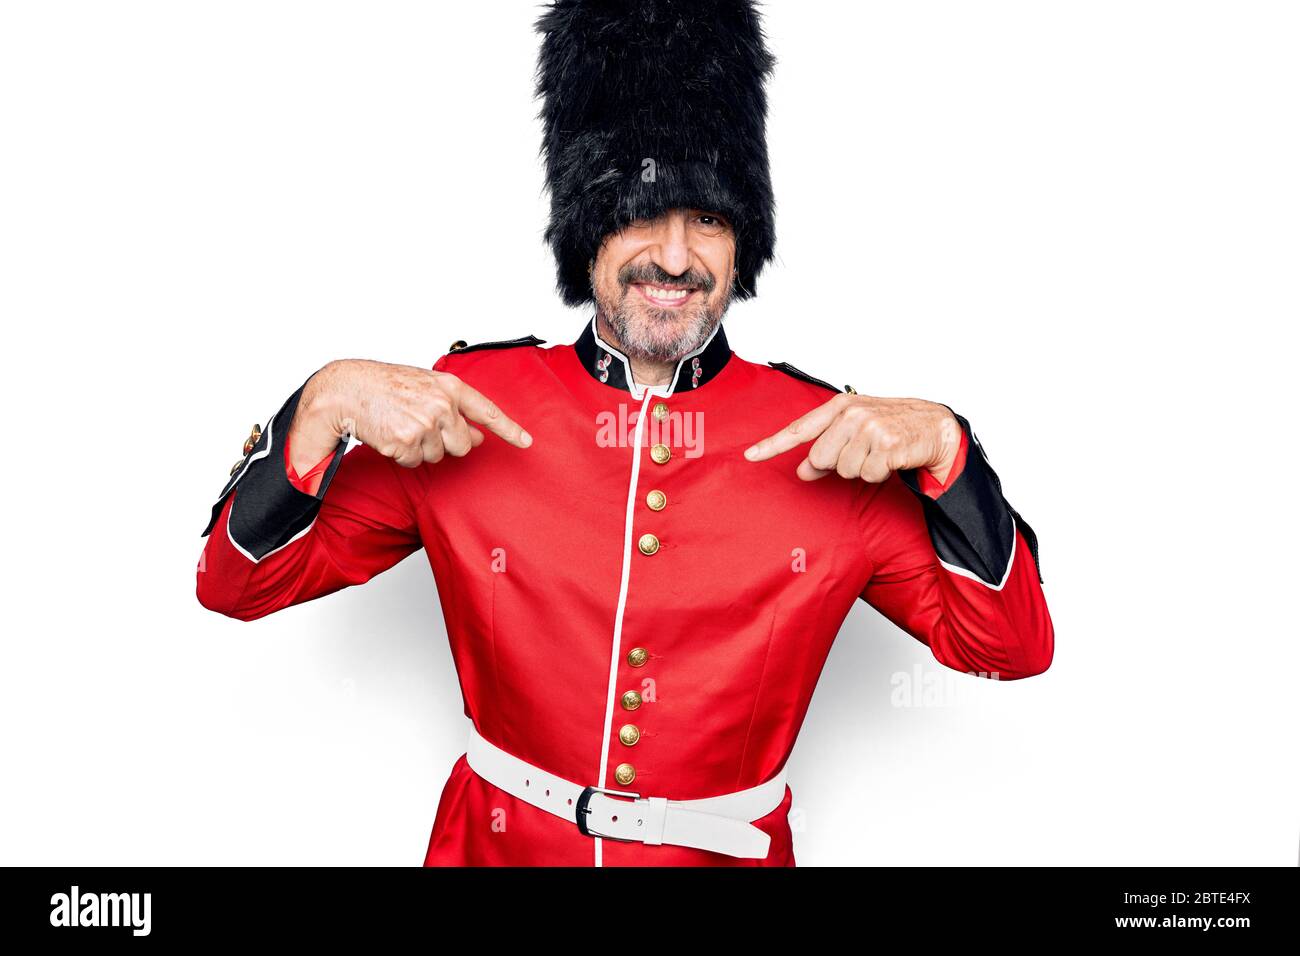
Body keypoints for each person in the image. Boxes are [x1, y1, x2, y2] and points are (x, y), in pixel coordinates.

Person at [196, 0, 1054, 866]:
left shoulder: (827, 440)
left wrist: (949, 447)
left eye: (709, 221)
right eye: (642, 213)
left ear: (743, 236)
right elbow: (233, 587)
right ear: (588, 224)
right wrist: (323, 401)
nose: (676, 258)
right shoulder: (466, 407)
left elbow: (1012, 649)